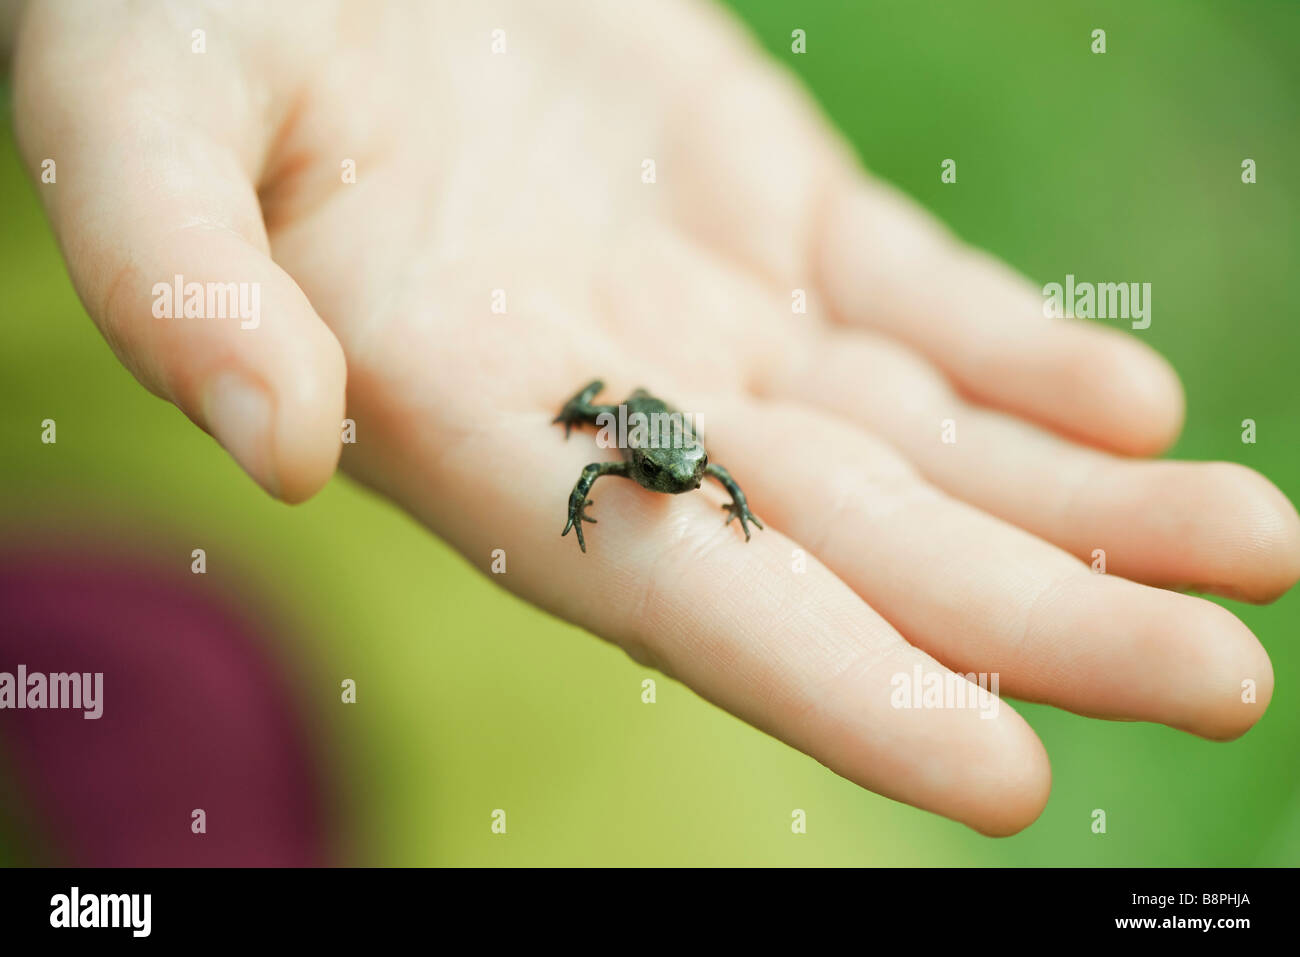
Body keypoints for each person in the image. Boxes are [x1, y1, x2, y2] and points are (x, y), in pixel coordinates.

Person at [7, 0, 1298, 835]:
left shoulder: (661, 447)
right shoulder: (625, 440)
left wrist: (701, 495)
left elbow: (669, 461)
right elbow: (603, 459)